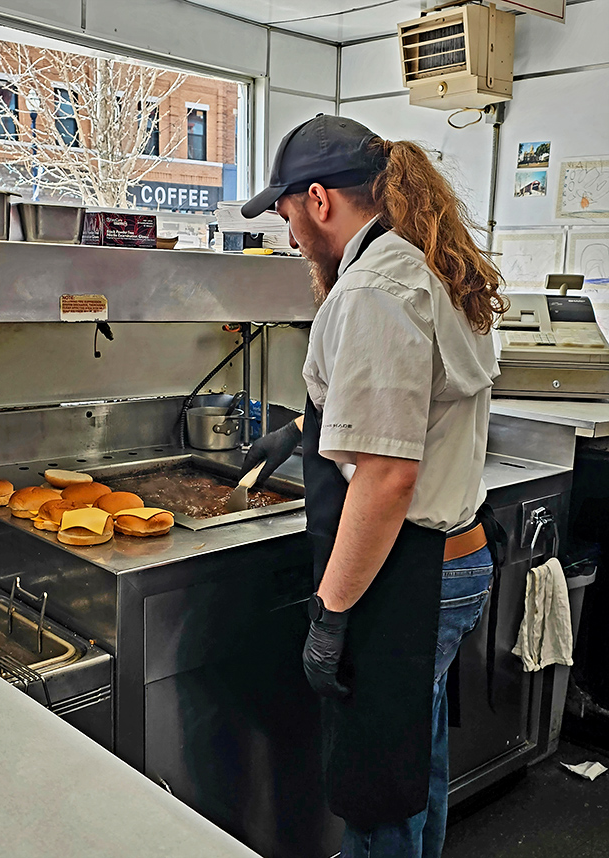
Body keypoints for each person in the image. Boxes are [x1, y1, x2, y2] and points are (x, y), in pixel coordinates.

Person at [240, 114, 508, 858]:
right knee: (412, 767)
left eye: (287, 215)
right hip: (450, 557)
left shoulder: (373, 290)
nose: (289, 235)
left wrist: (330, 611)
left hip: (409, 574)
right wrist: (301, 429)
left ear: (319, 200)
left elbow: (387, 477)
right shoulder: (427, 263)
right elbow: (404, 402)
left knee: (375, 787)